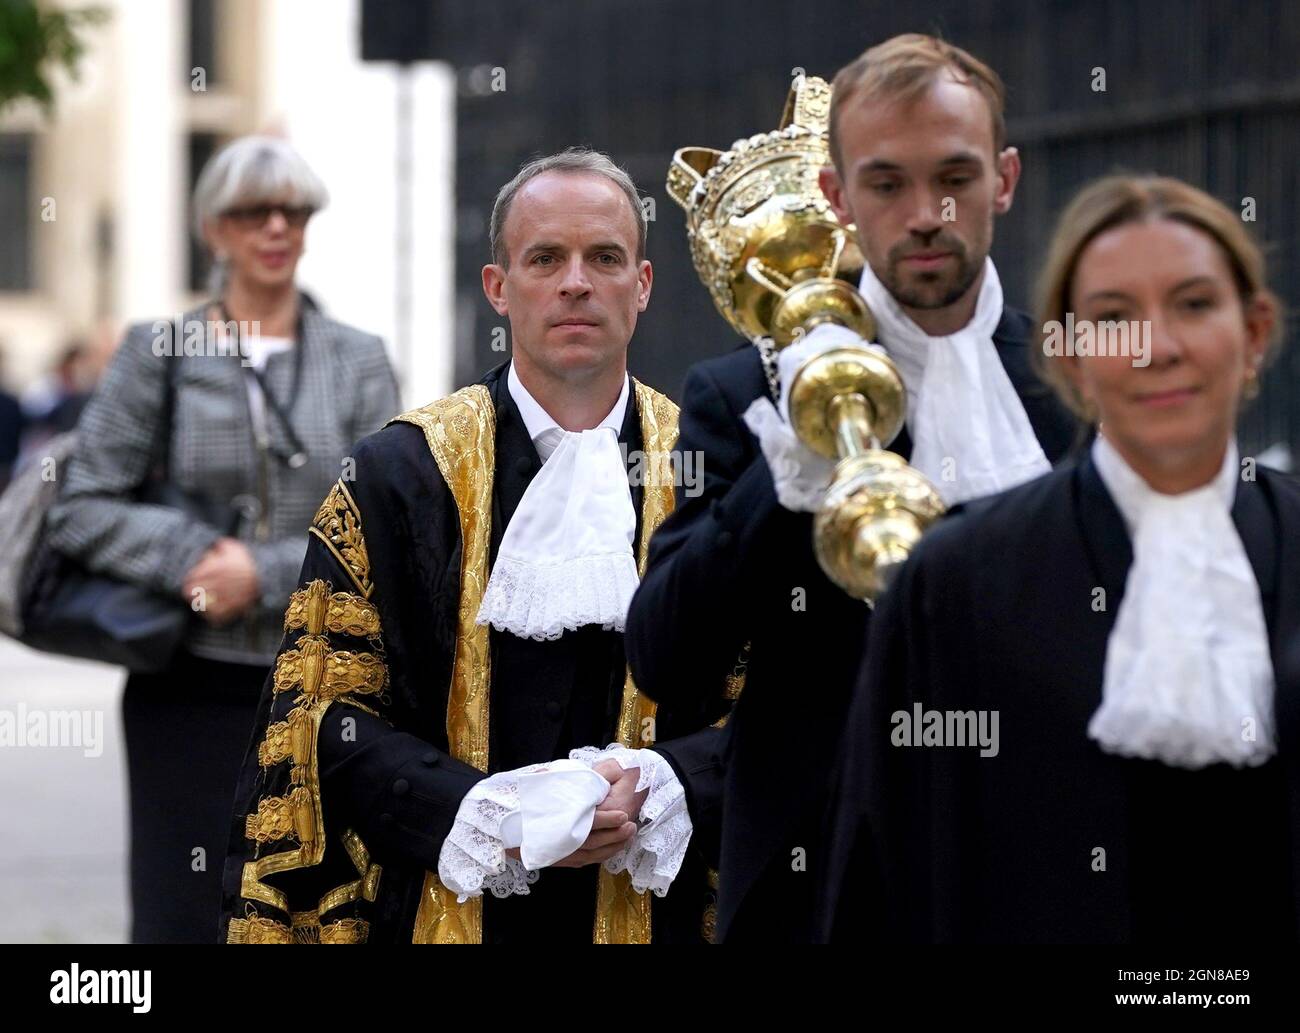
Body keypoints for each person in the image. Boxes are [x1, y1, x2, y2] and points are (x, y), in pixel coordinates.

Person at [624, 33, 1079, 942]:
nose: (923, 213)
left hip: (1050, 870)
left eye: (953, 175)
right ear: (835, 196)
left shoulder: (1077, 384)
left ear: (1005, 180)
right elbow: (666, 657)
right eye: (885, 183)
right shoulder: (746, 391)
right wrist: (780, 479)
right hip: (825, 890)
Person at [220, 148, 721, 944]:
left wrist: (669, 781)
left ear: (644, 285)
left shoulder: (711, 471)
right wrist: (487, 814)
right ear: (498, 287)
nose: (576, 283)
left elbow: (778, 710)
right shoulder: (399, 473)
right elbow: (318, 718)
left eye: (605, 258)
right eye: (545, 258)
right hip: (435, 905)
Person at [823, 174, 1298, 943]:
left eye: (1195, 304)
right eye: (1114, 318)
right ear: (1071, 357)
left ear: (1256, 332)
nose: (1158, 346)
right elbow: (880, 881)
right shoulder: (954, 582)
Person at [47, 135, 400, 944]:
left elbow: (375, 515)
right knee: (182, 909)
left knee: (313, 909)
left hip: (320, 685)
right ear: (214, 229)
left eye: (293, 211)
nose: (274, 227)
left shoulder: (358, 360)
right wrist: (191, 560)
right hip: (187, 683)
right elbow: (82, 503)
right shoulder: (157, 353)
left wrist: (263, 571)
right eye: (251, 213)